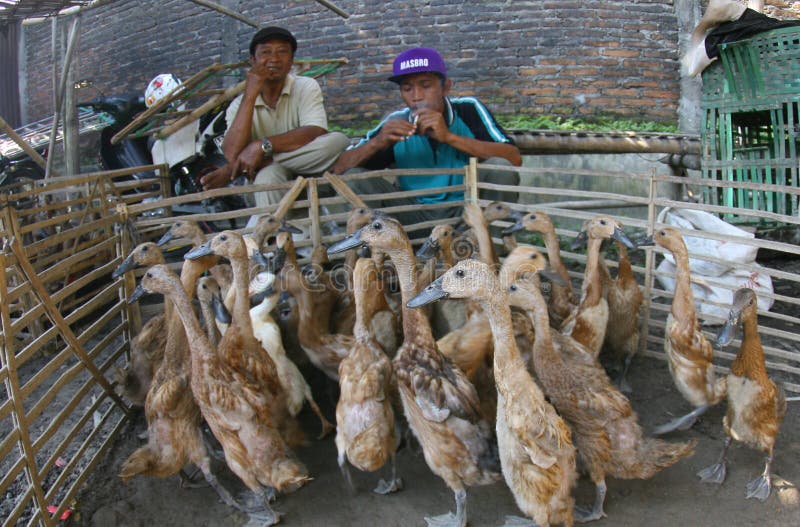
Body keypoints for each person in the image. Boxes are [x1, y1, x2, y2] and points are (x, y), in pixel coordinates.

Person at [331, 46, 521, 225]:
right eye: (407, 89)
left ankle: (490, 253)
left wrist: (448, 137)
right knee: (355, 177)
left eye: (425, 85)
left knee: (500, 169)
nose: (416, 96)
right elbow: (339, 169)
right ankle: (389, 249)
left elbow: (513, 157)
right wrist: (378, 142)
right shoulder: (396, 122)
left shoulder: (468, 109)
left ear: (445, 87)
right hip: (413, 216)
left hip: (467, 214)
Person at [201, 26, 349, 212]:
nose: (274, 59)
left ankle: (264, 163)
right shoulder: (238, 105)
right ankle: (273, 236)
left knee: (337, 141)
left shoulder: (306, 86)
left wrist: (261, 148)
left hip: (309, 165)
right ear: (253, 61)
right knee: (267, 177)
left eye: (282, 52)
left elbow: (314, 132)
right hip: (271, 174)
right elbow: (232, 154)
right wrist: (250, 95)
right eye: (265, 52)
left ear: (291, 60)